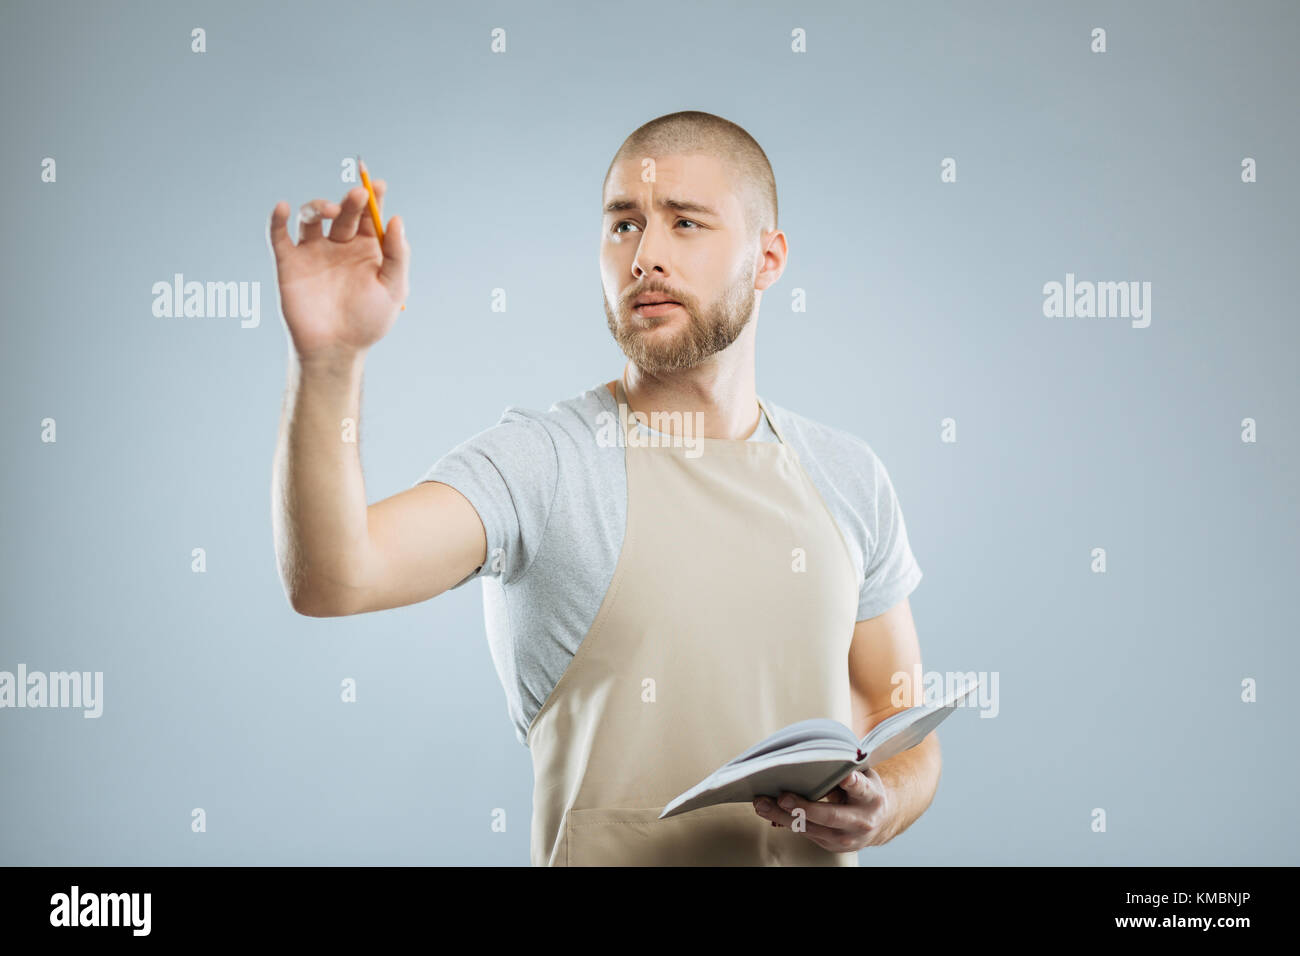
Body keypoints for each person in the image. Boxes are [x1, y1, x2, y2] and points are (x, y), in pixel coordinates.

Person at [266, 110, 938, 866]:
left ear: (768, 257)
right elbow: (334, 577)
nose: (645, 256)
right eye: (624, 225)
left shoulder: (848, 475)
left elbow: (897, 713)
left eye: (685, 223)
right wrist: (329, 363)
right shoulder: (544, 464)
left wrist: (880, 809)